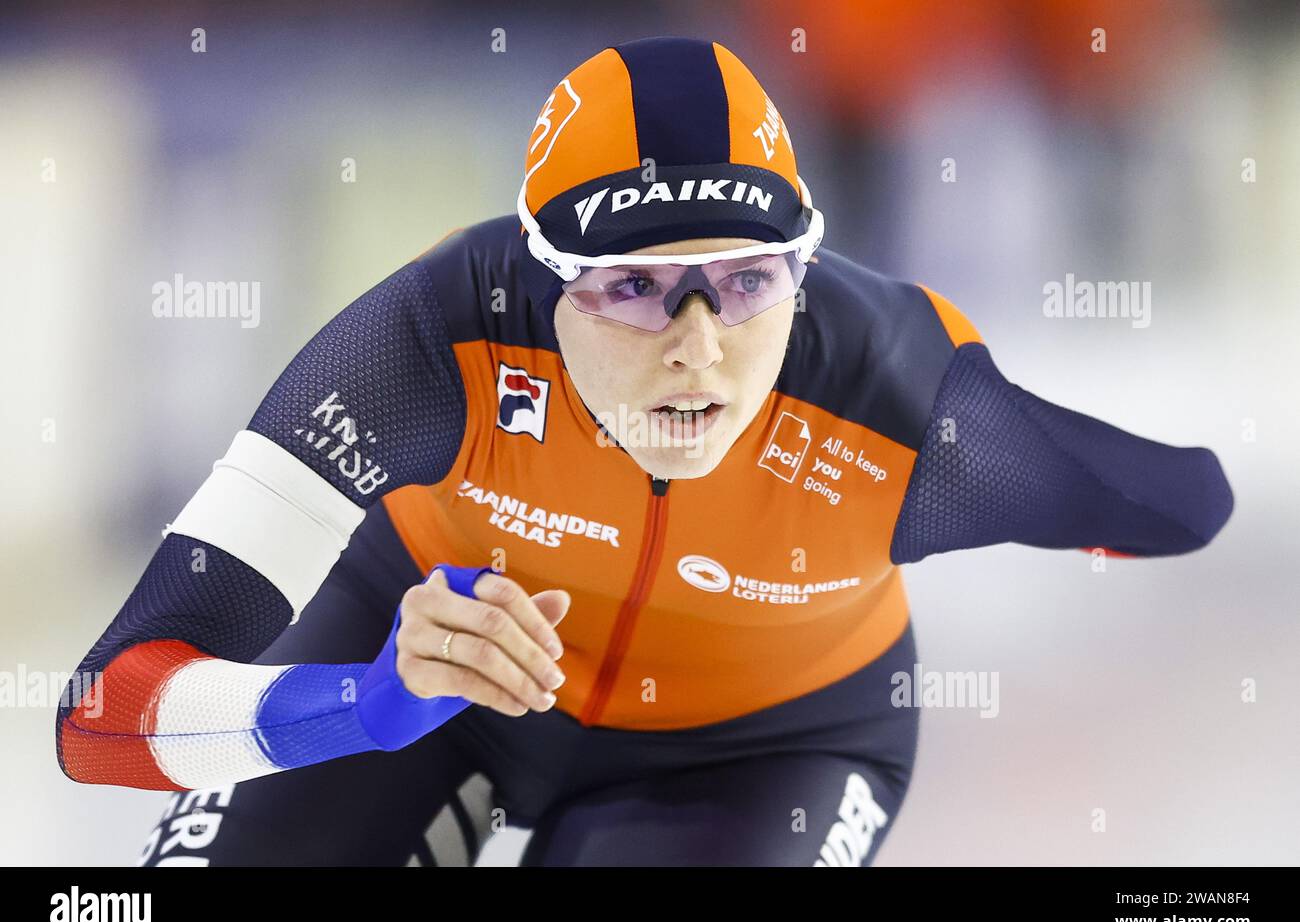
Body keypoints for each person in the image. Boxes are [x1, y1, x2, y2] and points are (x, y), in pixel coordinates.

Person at [57, 36, 1233, 866]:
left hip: (763, 749)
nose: (697, 346)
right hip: (426, 679)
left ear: (801, 275)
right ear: (540, 282)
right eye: (632, 287)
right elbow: (103, 710)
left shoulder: (906, 408)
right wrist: (362, 703)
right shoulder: (426, 344)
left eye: (744, 281)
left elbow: (1184, 501)